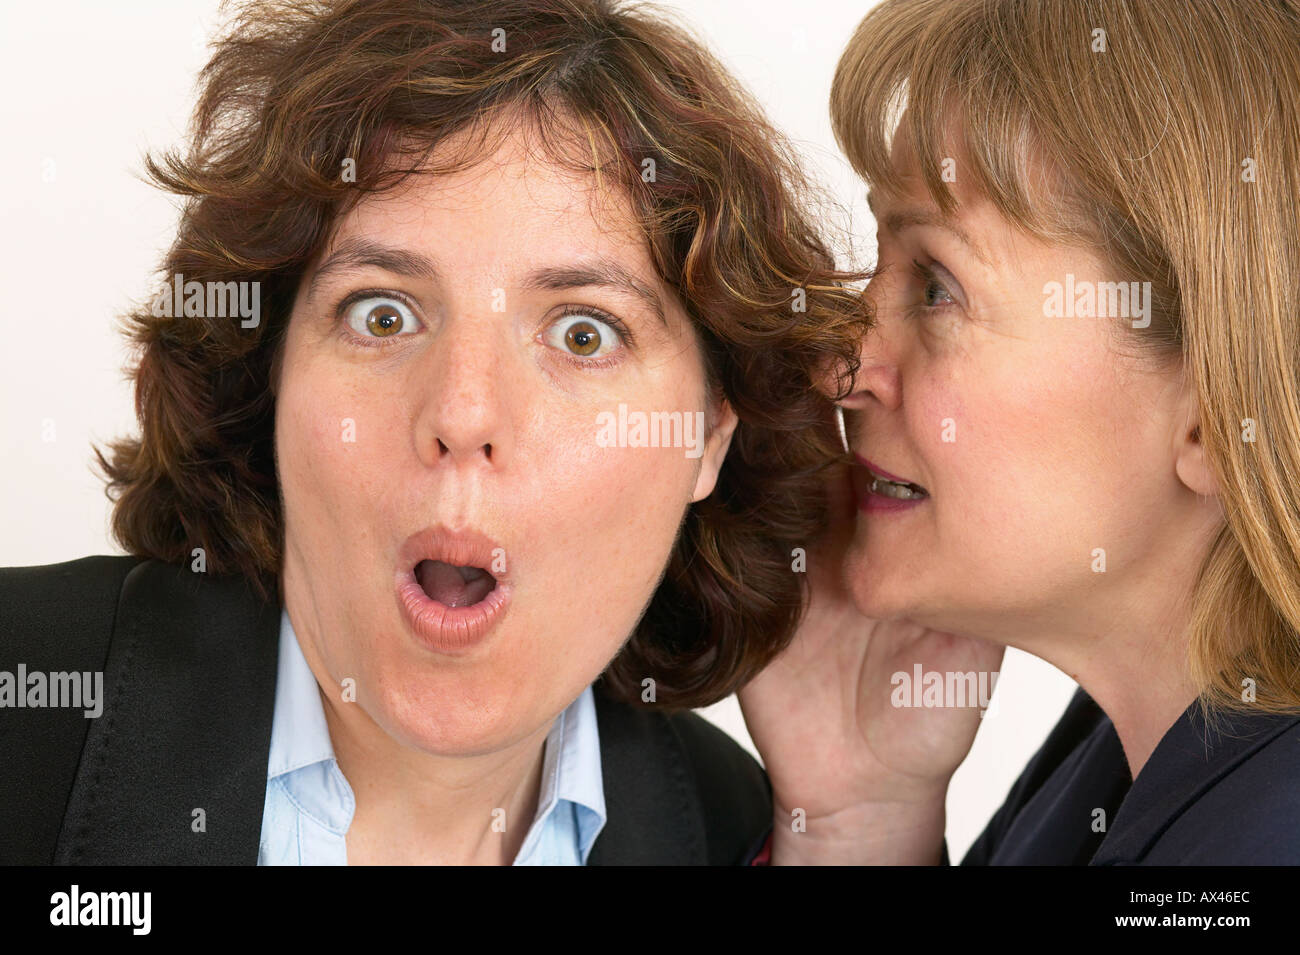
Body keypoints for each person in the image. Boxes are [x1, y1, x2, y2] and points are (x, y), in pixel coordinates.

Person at [0, 0, 867, 866]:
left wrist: (860, 813)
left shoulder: (753, 836)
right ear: (270, 375)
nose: (461, 414)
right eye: (382, 315)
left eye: (582, 334)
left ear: (709, 439)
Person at [740, 0, 1300, 865]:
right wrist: (864, 816)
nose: (838, 372)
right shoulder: (1134, 759)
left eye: (937, 286)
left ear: (1214, 412)